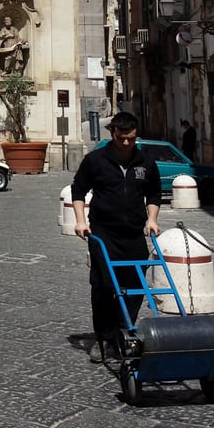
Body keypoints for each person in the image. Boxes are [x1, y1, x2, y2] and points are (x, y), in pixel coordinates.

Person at [71, 110, 162, 363]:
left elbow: (154, 193)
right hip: (103, 233)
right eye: (122, 138)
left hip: (133, 234)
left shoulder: (145, 162)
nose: (126, 144)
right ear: (113, 133)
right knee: (104, 286)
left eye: (131, 139)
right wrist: (80, 221)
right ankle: (104, 338)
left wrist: (152, 220)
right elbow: (78, 189)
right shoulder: (96, 160)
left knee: (134, 287)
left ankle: (124, 331)